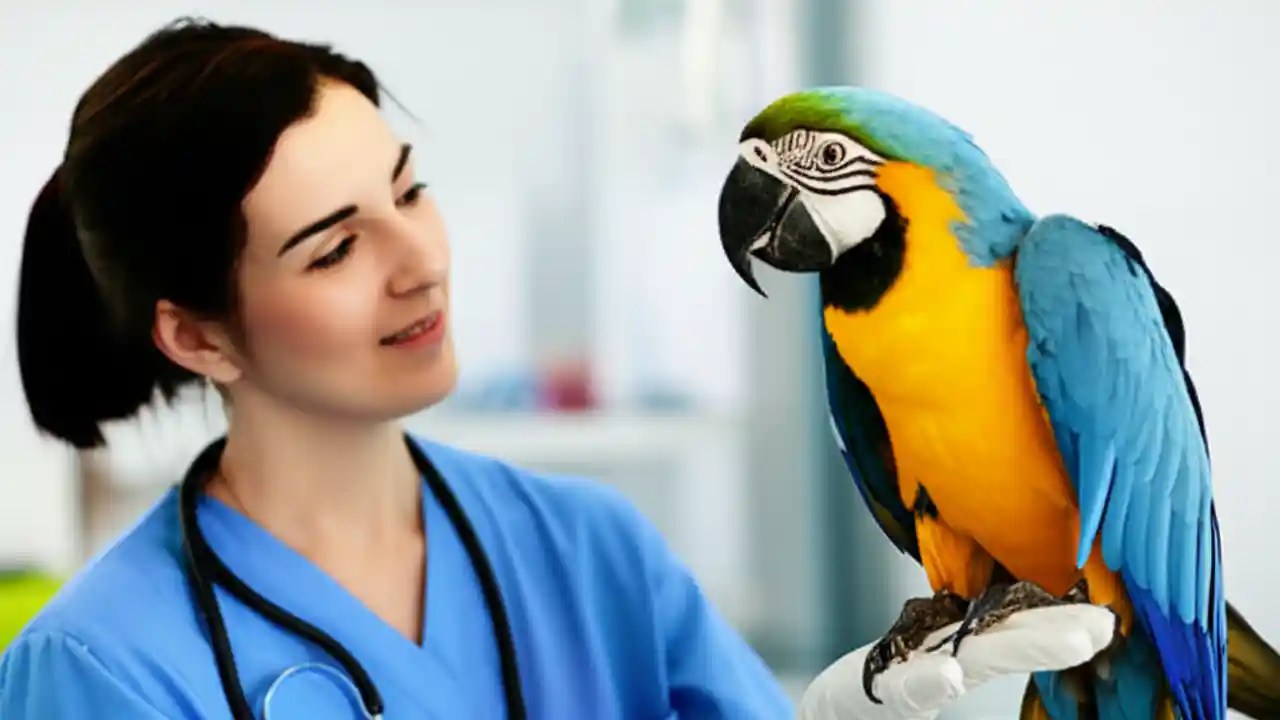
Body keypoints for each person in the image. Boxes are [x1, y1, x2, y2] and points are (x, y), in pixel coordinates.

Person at [0, 17, 1114, 720]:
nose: (418, 263)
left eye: (408, 188)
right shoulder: (101, 669)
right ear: (196, 337)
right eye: (335, 246)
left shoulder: (589, 554)